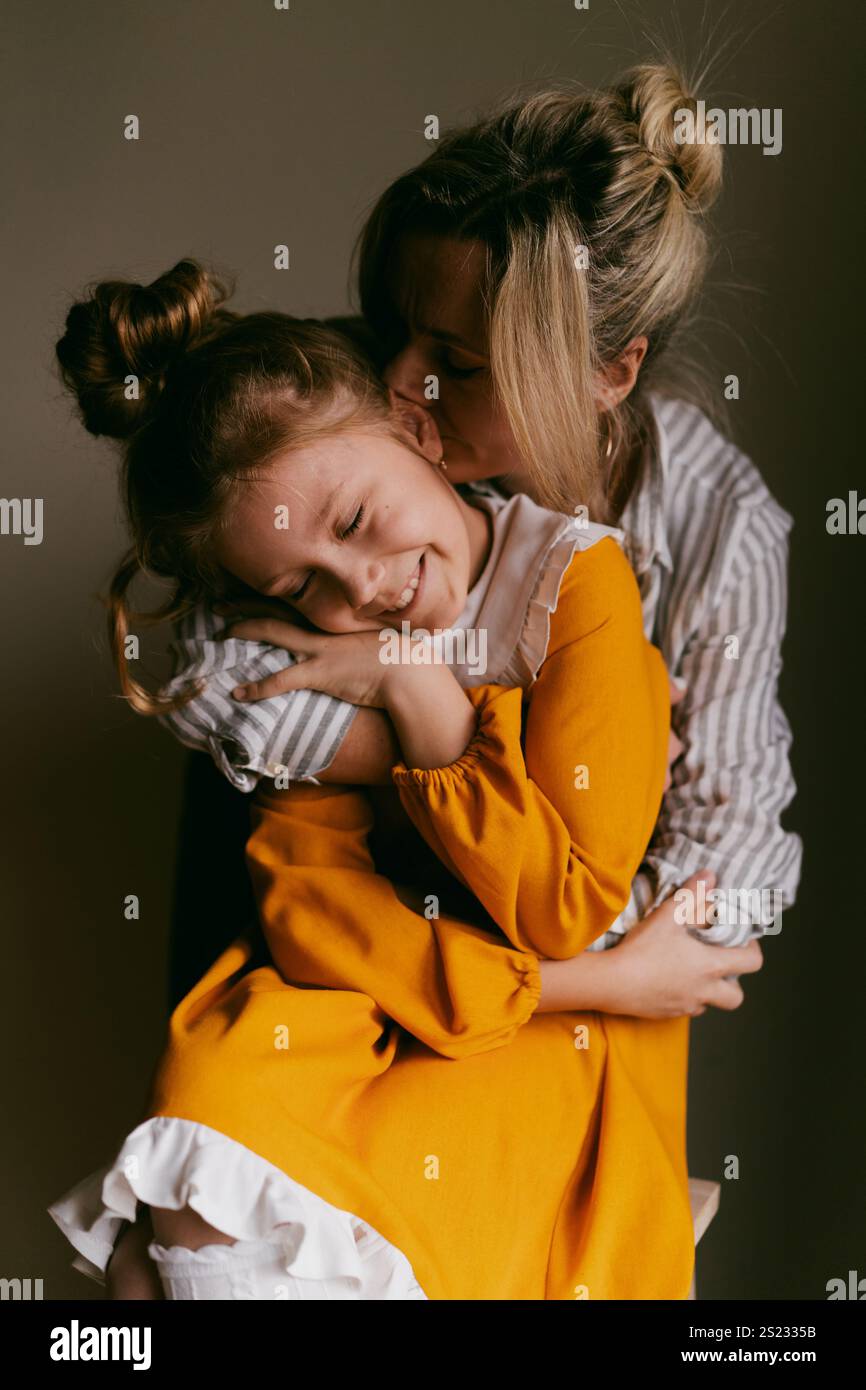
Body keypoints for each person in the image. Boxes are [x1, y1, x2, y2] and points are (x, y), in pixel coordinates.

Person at [47, 278, 758, 1300]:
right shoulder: (309, 659)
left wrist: (418, 698)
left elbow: (563, 906)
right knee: (203, 1141)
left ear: (414, 428)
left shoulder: (574, 589)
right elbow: (310, 909)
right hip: (378, 1005)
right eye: (298, 586)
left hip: (534, 1037)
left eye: (353, 517)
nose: (358, 589)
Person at [153, 61, 802, 953]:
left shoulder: (720, 526)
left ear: (608, 373)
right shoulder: (345, 407)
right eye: (393, 326)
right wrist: (462, 749)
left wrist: (565, 975)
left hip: (521, 1009)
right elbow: (200, 678)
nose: (394, 380)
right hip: (315, 964)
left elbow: (742, 873)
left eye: (456, 364)